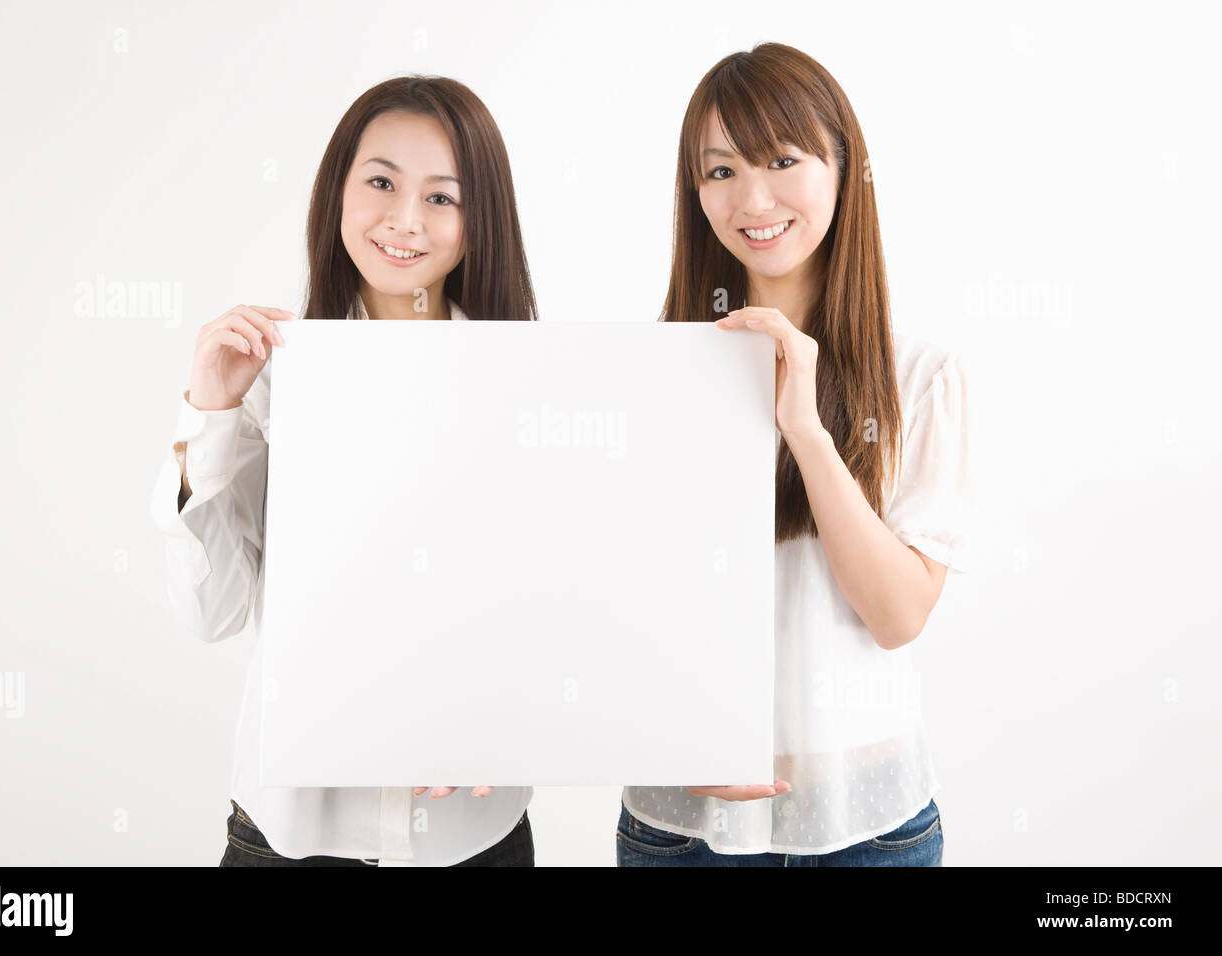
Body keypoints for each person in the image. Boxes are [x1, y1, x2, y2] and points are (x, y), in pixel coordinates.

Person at [149, 75, 540, 866]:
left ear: (479, 219)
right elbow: (209, 613)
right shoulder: (267, 376)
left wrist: (504, 714)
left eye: (442, 197)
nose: (404, 220)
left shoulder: (531, 387)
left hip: (472, 833)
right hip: (294, 833)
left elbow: (553, 609)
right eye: (382, 183)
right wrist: (209, 413)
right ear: (338, 193)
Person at [617, 42, 977, 866]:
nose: (753, 197)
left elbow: (896, 616)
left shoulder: (920, 377)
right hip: (679, 827)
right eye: (719, 171)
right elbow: (616, 604)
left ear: (844, 168)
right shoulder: (652, 376)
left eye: (783, 158)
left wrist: (808, 431)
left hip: (867, 825)